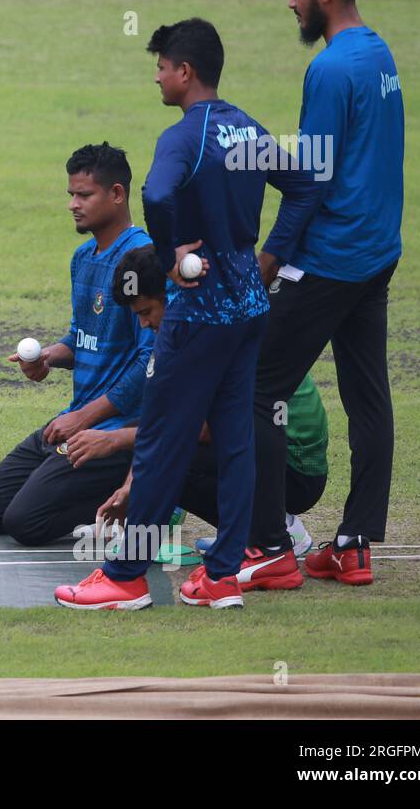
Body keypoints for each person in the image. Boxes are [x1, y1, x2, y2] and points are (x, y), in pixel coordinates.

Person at [55, 17, 316, 610]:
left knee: (162, 444)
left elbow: (158, 195)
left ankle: (122, 577)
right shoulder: (244, 127)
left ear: (185, 71)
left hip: (199, 312)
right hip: (250, 305)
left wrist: (172, 257)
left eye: (162, 67)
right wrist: (268, 258)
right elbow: (303, 187)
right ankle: (223, 574)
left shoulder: (183, 136)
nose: (157, 77)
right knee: (234, 437)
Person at [249, 0, 404, 587]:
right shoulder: (380, 55)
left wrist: (271, 256)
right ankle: (354, 544)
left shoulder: (332, 68)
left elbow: (311, 180)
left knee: (256, 389)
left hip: (331, 259)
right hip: (378, 254)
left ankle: (269, 549)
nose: (290, 4)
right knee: (368, 398)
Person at [96, 245, 330, 587]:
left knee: (165, 450)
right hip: (273, 457)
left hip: (294, 472)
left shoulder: (205, 328)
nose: (144, 324)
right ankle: (252, 533)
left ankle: (273, 533)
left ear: (171, 293)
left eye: (146, 311)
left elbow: (198, 431)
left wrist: (113, 440)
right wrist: (133, 485)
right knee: (151, 437)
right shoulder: (200, 315)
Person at [0, 143, 152, 545]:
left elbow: (148, 362)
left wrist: (84, 418)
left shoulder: (142, 260)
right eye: (70, 194)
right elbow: (82, 338)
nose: (73, 204)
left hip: (113, 432)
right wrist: (50, 356)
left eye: (84, 195)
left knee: (24, 523)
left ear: (117, 194)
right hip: (75, 420)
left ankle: (144, 498)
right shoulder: (83, 258)